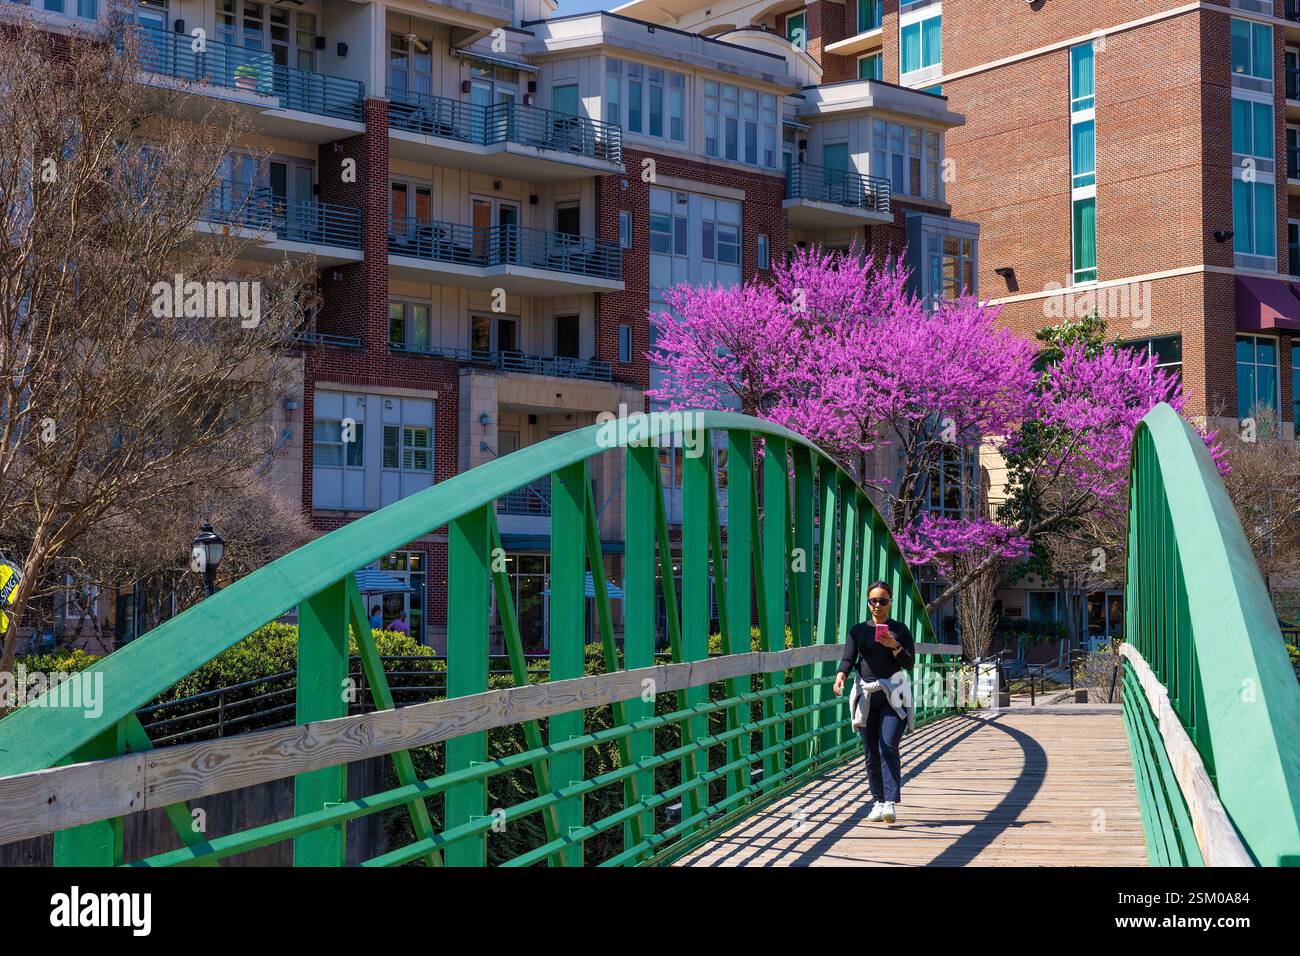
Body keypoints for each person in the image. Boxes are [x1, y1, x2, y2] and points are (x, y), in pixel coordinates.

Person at [833, 580, 915, 824]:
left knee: (887, 745)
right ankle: (877, 801)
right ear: (868, 603)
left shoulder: (900, 630)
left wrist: (895, 646)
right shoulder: (858, 630)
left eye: (883, 600)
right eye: (873, 601)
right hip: (866, 695)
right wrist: (840, 676)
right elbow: (848, 658)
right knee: (870, 752)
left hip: (893, 695)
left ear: (891, 602)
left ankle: (890, 802)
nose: (878, 605)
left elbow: (909, 664)